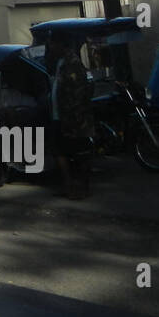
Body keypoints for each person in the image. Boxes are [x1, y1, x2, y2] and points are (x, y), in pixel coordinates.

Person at [47, 32, 94, 199]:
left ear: (61, 45)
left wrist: (74, 117)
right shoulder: (59, 63)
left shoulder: (72, 63)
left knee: (80, 153)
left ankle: (83, 188)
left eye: (52, 44)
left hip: (73, 117)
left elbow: (78, 93)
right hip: (59, 116)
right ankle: (68, 185)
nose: (50, 47)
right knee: (59, 151)